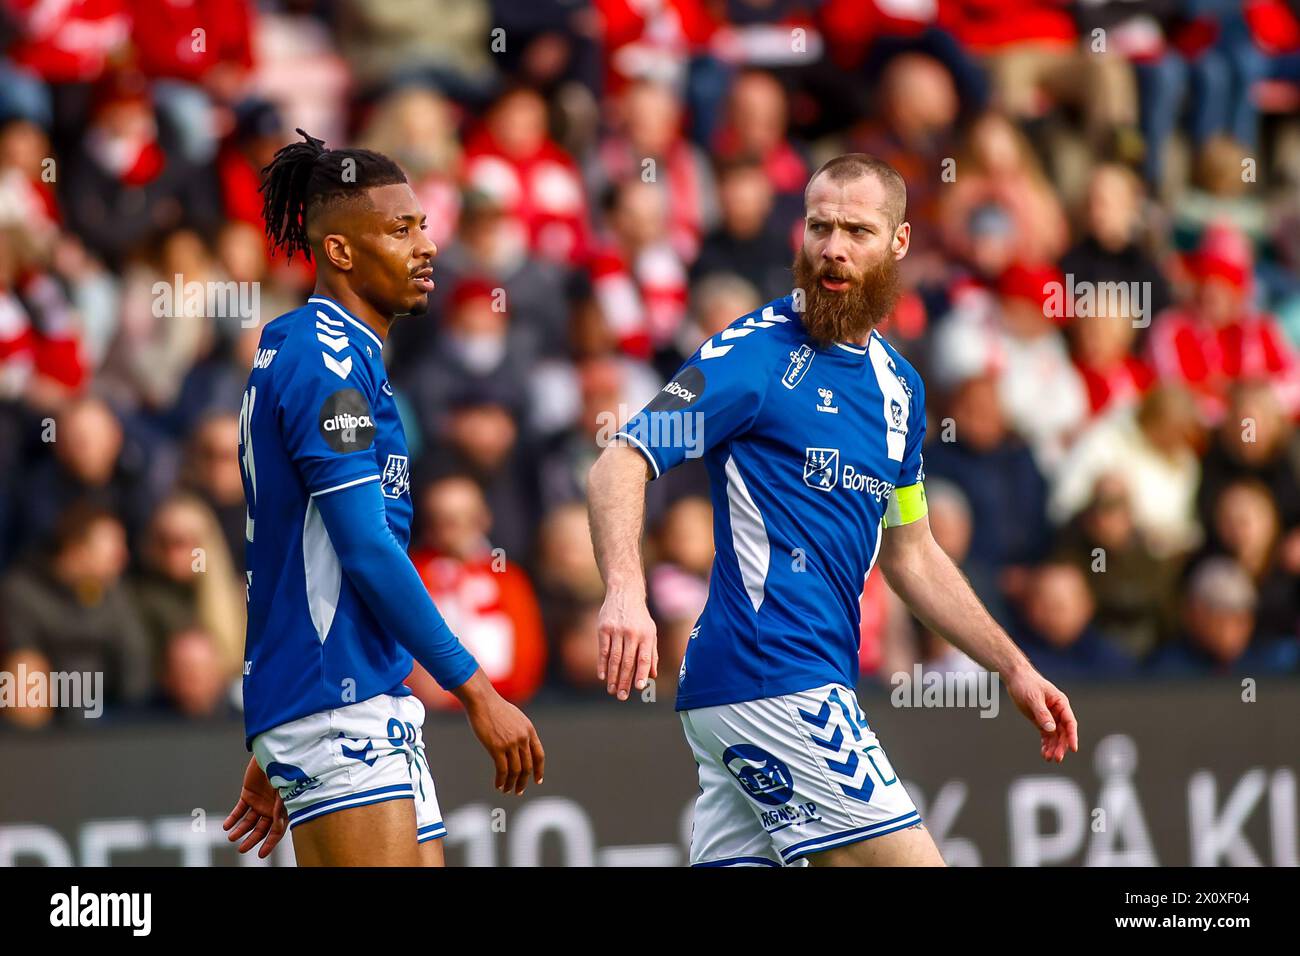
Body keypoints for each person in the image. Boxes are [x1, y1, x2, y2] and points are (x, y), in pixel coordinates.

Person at [586, 154, 1079, 868]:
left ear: (900, 243)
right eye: (820, 227)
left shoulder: (900, 391)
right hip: (775, 671)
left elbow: (911, 552)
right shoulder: (752, 355)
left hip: (765, 686)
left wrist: (1013, 667)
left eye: (857, 230)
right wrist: (626, 590)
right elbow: (620, 462)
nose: (834, 249)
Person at [221, 130, 543, 867]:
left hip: (351, 693)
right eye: (400, 229)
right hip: (339, 704)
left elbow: (306, 543)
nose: (426, 245)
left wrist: (286, 713)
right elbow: (363, 548)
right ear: (339, 252)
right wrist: (478, 692)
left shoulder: (336, 350)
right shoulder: (323, 359)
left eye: (424, 225)